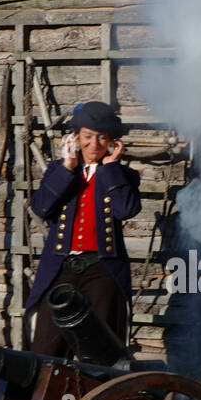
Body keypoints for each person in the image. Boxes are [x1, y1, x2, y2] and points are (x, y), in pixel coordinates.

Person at [27, 101, 142, 357]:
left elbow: (125, 211)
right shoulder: (58, 171)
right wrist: (67, 168)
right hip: (60, 267)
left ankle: (96, 396)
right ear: (76, 137)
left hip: (103, 270)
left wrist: (111, 168)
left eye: (102, 138)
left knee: (101, 348)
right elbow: (41, 208)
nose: (94, 144)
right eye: (88, 137)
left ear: (112, 142)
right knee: (46, 345)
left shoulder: (123, 176)